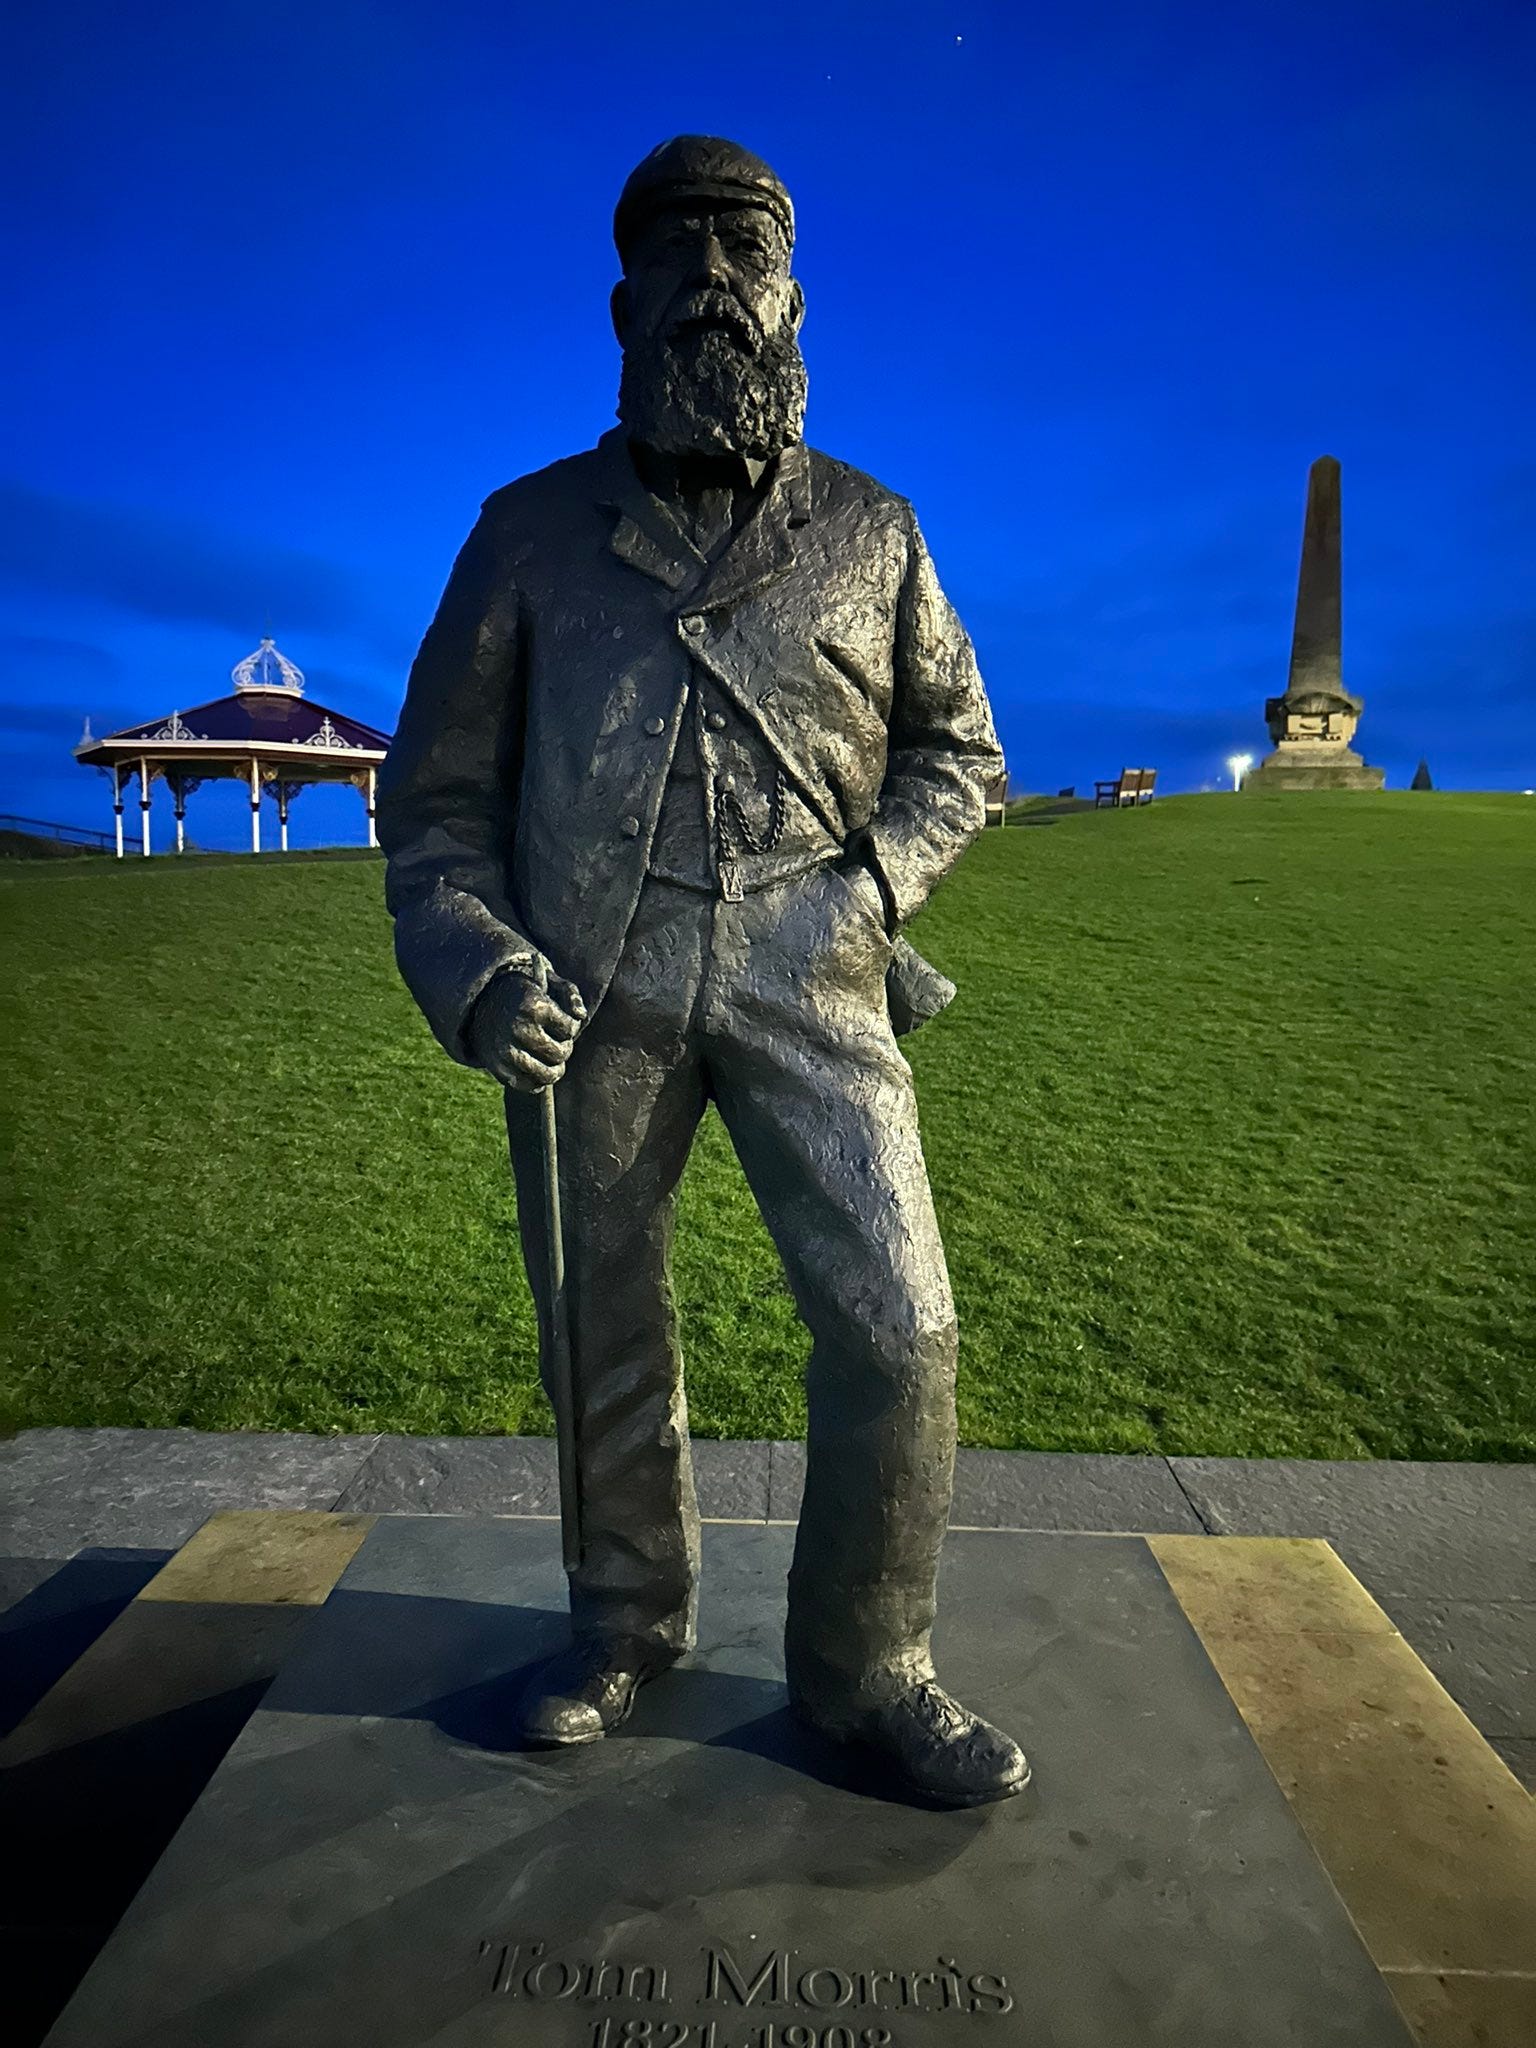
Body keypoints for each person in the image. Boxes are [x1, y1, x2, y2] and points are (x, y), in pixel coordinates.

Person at [377, 136, 1026, 1807]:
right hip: (593, 979)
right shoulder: (528, 532)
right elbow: (434, 801)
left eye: (749, 250)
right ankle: (622, 1623)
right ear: (623, 300)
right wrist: (473, 958)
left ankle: (872, 1665)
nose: (717, 281)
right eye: (680, 255)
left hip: (817, 961)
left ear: (798, 293)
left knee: (900, 1328)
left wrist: (873, 891)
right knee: (602, 1320)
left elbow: (960, 754)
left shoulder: (871, 529)